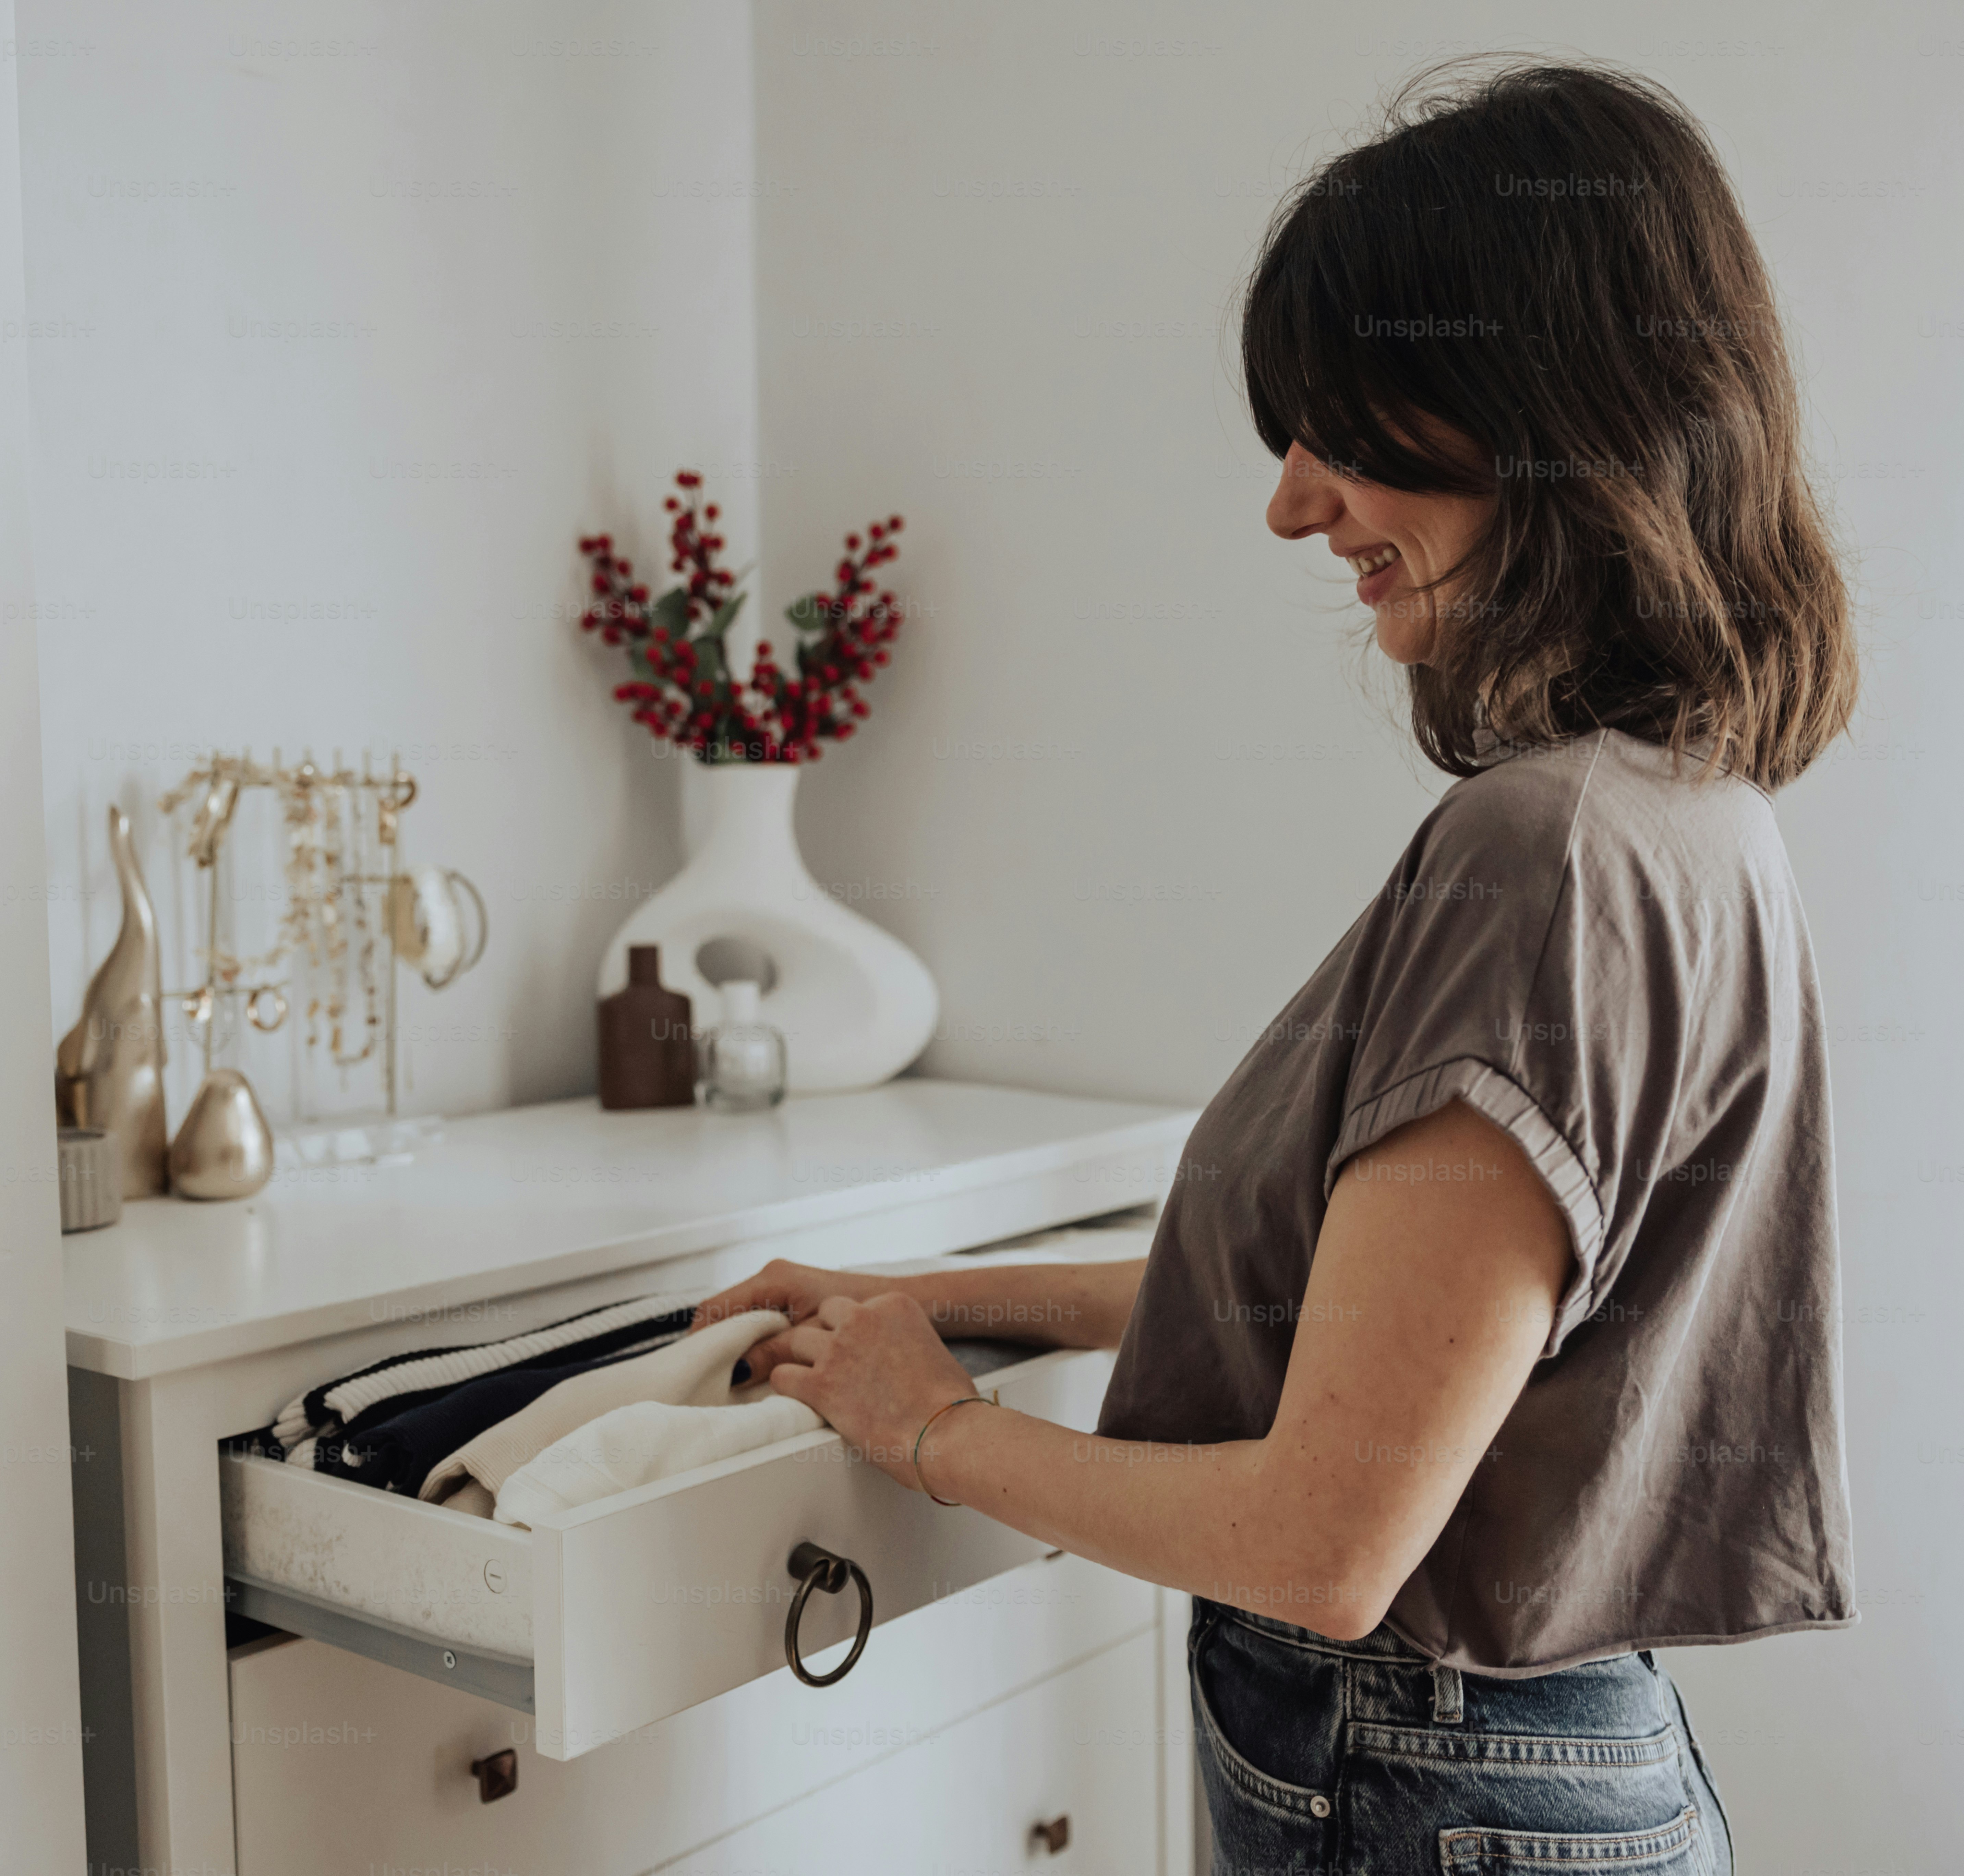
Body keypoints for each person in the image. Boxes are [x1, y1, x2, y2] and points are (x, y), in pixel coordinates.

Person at [696, 59, 1857, 1874]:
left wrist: (924, 1430)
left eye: (1339, 427)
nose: (1294, 506)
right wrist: (947, 1296)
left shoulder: (1538, 853)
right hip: (1537, 1773)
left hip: (1424, 1780)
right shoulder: (1682, 817)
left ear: (1539, 405)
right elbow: (1381, 1331)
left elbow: (1327, 1540)